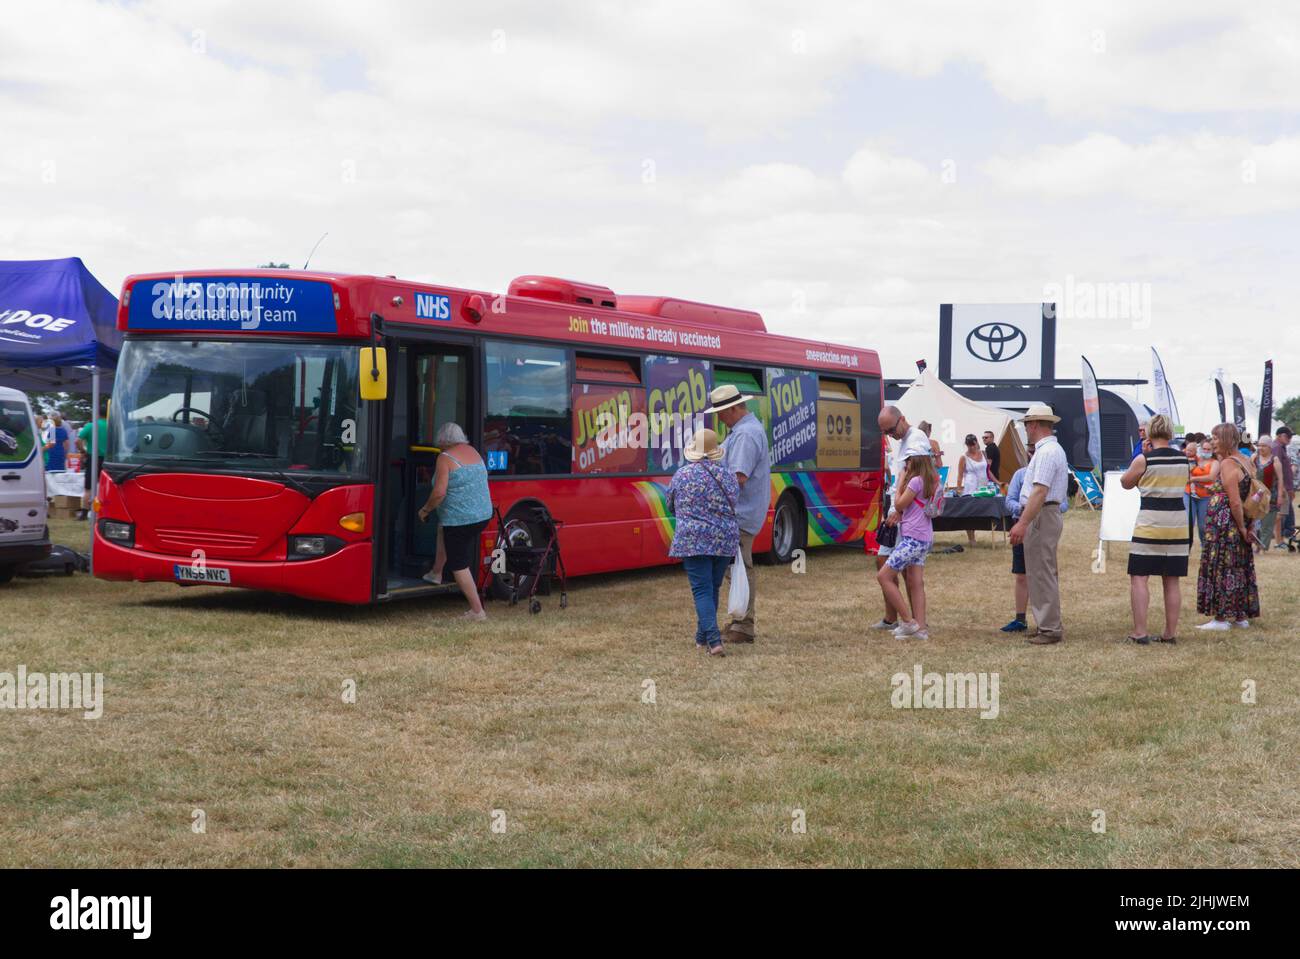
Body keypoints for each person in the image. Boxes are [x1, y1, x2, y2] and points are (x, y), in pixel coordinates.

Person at [664, 428, 739, 657]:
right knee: (711, 588)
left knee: (701, 590)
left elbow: (670, 504)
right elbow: (735, 501)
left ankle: (714, 641)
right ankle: (701, 638)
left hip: (693, 540)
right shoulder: (728, 475)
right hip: (724, 540)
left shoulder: (683, 475)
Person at [706, 385, 770, 644]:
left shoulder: (745, 435)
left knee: (740, 569)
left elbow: (738, 477)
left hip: (739, 514)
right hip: (741, 513)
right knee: (737, 569)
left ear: (733, 409)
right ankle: (740, 620)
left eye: (721, 412)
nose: (719, 417)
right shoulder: (743, 431)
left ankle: (744, 625)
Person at [1120, 415, 1189, 644]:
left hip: (1150, 522)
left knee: (1139, 576)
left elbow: (1125, 482)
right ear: (1170, 432)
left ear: (1149, 432)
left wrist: (1144, 456)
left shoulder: (1144, 459)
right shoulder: (1183, 459)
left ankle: (1140, 631)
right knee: (1172, 580)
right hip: (1178, 524)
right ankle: (1170, 633)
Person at [416, 423, 493, 621]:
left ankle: (477, 611)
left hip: (461, 520)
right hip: (482, 515)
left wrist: (425, 510)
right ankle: (436, 572)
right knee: (443, 527)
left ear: (442, 441)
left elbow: (439, 492)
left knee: (459, 564)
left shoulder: (445, 458)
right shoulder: (473, 451)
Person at [1009, 404, 1068, 645]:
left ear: (1033, 425)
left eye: (1026, 424)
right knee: (1040, 571)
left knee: (1041, 572)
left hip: (1041, 515)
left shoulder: (1046, 452)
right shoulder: (1051, 450)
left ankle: (1050, 628)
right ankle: (1046, 623)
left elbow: (1039, 491)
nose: (1025, 429)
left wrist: (1023, 523)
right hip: (1044, 514)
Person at [871, 405, 932, 631]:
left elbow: (918, 477)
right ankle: (900, 619)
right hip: (900, 515)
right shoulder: (907, 440)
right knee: (888, 564)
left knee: (899, 573)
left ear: (902, 419)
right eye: (885, 433)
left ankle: (912, 621)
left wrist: (898, 508)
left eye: (891, 430)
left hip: (906, 516)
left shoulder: (916, 440)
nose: (890, 436)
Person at [1195, 423, 1260, 631]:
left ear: (1225, 439)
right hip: (1239, 521)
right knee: (1239, 567)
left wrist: (1241, 527)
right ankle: (1240, 616)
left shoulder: (1228, 464)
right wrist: (1250, 525)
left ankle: (1220, 618)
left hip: (1226, 525)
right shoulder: (1245, 460)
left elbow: (1234, 501)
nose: (1212, 442)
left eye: (1215, 438)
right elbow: (1251, 496)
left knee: (1222, 568)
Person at [876, 450, 938, 640]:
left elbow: (899, 504)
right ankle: (921, 628)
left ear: (914, 461)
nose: (906, 464)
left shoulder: (915, 481)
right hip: (924, 536)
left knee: (884, 576)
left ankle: (908, 622)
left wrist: (901, 479)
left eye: (907, 461)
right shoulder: (932, 480)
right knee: (916, 582)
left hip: (912, 538)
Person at [76, 403, 108, 520]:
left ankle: (84, 513)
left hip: (93, 458)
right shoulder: (112, 426)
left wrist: (83, 451)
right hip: (108, 459)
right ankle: (104, 512)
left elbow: (78, 441)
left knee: (88, 488)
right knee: (107, 487)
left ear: (97, 414)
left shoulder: (91, 426)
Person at [956, 434, 988, 546]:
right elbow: (960, 475)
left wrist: (997, 482)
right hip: (970, 487)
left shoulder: (983, 453)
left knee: (981, 511)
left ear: (976, 443)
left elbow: (988, 470)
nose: (972, 448)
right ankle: (971, 538)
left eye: (973, 445)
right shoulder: (963, 457)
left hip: (983, 486)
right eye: (969, 446)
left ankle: (978, 533)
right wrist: (959, 488)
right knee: (970, 512)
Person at [1251, 438, 1282, 553]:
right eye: (1259, 445)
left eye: (1263, 446)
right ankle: (1255, 544)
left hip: (1271, 496)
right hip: (1255, 495)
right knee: (1254, 522)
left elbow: (1280, 480)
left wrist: (1279, 496)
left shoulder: (1275, 460)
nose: (1260, 448)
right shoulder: (1254, 458)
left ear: (1270, 447)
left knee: (1267, 523)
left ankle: (1263, 547)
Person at [1187, 434, 1217, 546]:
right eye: (1204, 448)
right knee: (1188, 521)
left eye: (1209, 449)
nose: (1206, 451)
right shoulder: (1195, 459)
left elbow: (1211, 477)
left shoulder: (1215, 463)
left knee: (1202, 525)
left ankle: (1205, 547)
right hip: (1189, 493)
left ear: (1213, 450)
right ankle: (1187, 546)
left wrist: (1193, 478)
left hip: (1205, 497)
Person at [1272, 426, 1295, 546]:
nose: (1290, 439)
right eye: (1288, 436)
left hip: (1284, 486)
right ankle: (1272, 537)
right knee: (1280, 514)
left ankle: (1281, 538)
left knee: (1283, 514)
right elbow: (1277, 470)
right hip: (1282, 487)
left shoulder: (1281, 448)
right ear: (1279, 435)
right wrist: (1284, 488)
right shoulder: (1277, 448)